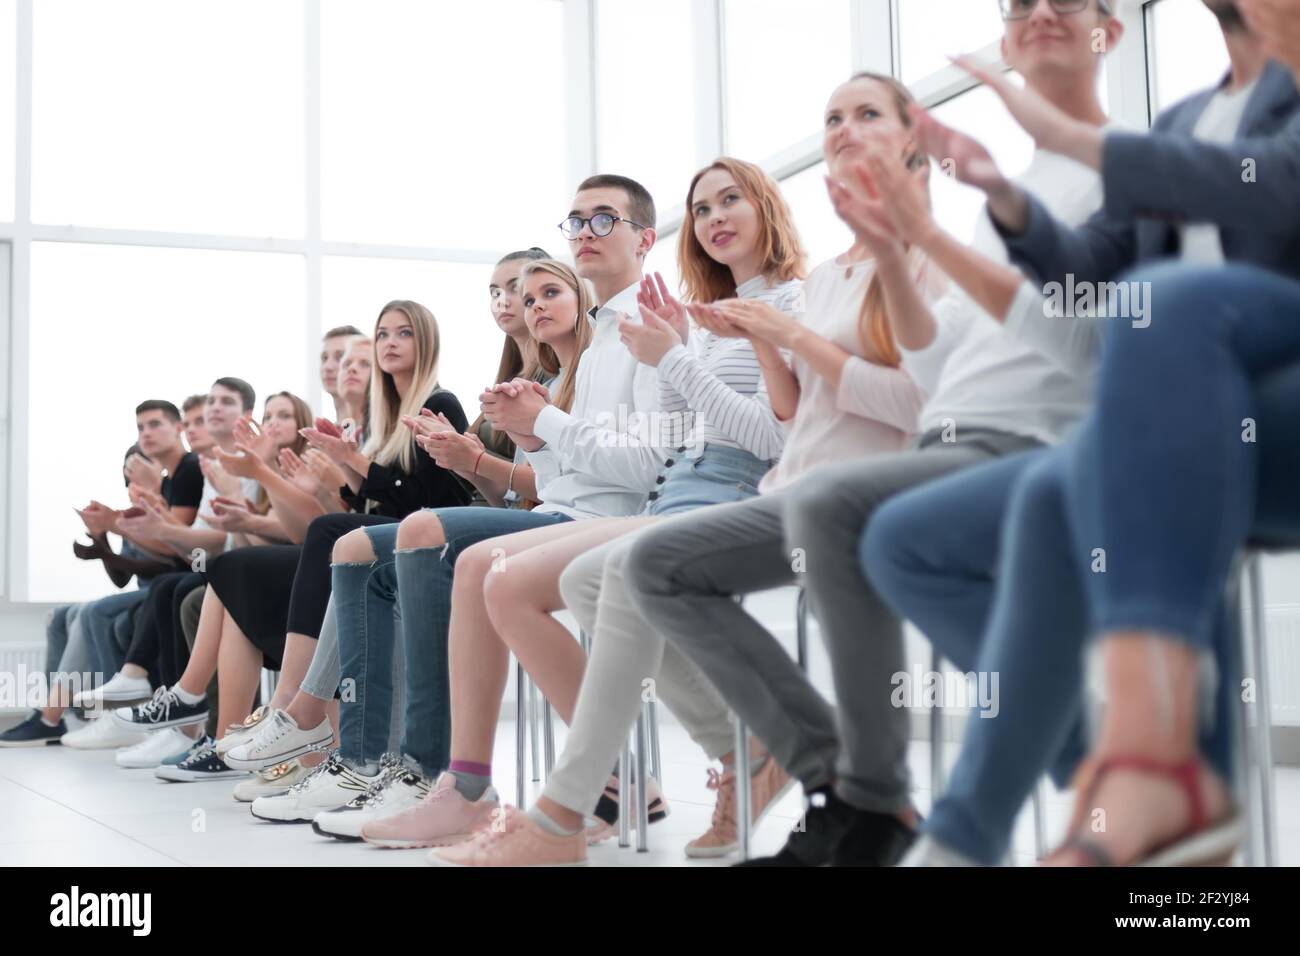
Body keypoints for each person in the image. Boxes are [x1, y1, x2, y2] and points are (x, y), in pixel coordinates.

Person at [864, 0, 1300, 866]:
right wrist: (999, 192)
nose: (1039, 15)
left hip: (1277, 399)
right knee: (1048, 496)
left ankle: (1144, 748)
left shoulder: (1245, 111)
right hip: (1197, 420)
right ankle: (972, 841)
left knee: (1165, 314)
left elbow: (1278, 183)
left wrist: (1071, 138)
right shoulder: (1184, 117)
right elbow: (1091, 267)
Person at [425, 156, 809, 866]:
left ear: (767, 210)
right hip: (677, 488)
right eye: (703, 208)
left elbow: (771, 438)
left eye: (732, 201)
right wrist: (550, 425)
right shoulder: (693, 318)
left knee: (558, 575)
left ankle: (567, 812)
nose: (716, 217)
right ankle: (737, 750)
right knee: (521, 579)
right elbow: (665, 444)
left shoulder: (794, 306)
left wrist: (669, 361)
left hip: (733, 492)